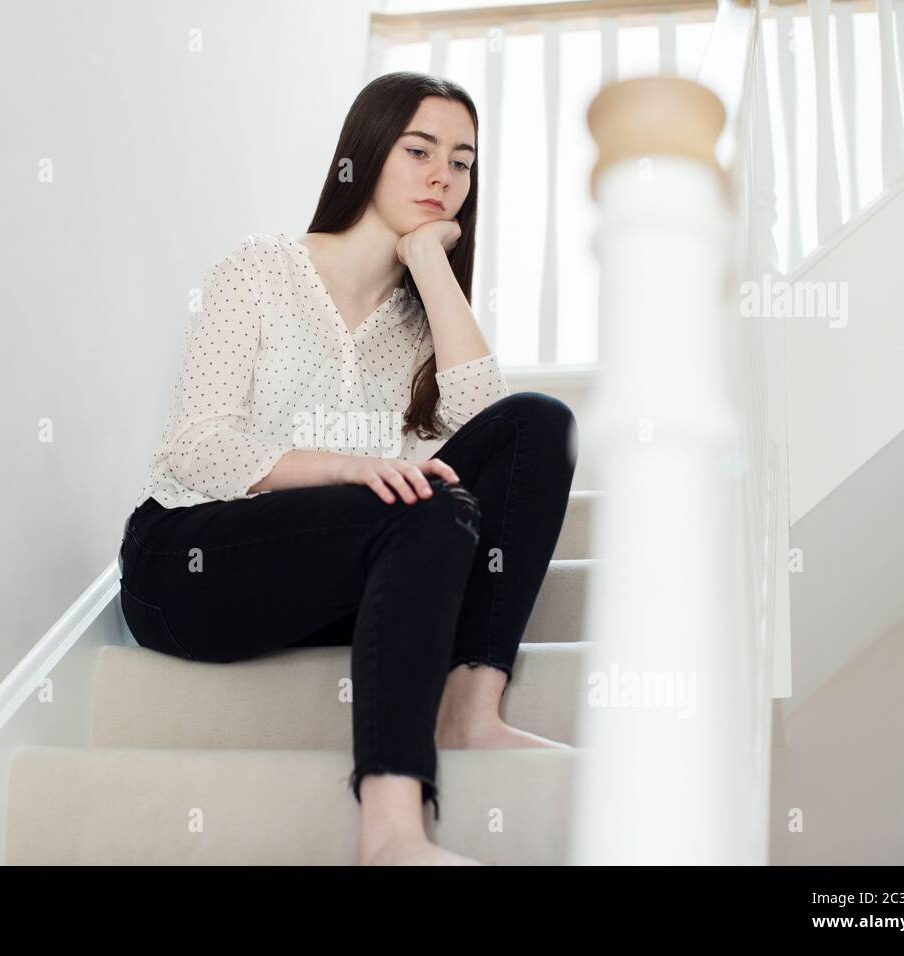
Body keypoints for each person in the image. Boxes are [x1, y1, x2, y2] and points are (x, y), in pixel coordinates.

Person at [119, 71, 576, 865]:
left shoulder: (421, 326)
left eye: (463, 163)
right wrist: (345, 467)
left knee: (541, 423)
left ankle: (470, 711)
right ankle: (392, 833)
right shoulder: (258, 270)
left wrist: (430, 268)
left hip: (341, 570)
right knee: (417, 506)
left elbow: (493, 444)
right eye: (419, 150)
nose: (444, 176)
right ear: (365, 153)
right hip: (188, 562)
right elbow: (195, 447)